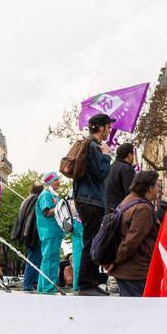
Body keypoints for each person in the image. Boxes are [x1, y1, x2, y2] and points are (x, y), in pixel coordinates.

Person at [72, 113, 115, 295]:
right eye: (108, 126)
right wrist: (106, 156)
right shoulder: (94, 147)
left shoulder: (86, 145)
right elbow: (101, 173)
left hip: (85, 198)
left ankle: (90, 281)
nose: (110, 129)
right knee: (91, 242)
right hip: (92, 200)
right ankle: (86, 284)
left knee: (91, 240)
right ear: (101, 127)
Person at [105, 170, 161, 298]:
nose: (159, 189)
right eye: (157, 185)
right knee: (141, 313)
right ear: (149, 188)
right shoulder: (143, 209)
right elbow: (132, 241)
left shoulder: (127, 201)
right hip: (136, 272)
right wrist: (114, 262)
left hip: (126, 271)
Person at [35, 172, 69, 295]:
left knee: (48, 260)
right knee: (51, 260)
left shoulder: (53, 195)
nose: (58, 182)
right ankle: (49, 288)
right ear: (49, 182)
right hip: (49, 231)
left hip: (54, 231)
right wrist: (60, 207)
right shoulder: (46, 194)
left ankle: (42, 288)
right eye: (56, 180)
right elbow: (46, 212)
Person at [14, 181, 44, 292]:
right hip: (34, 234)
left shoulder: (26, 200)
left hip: (28, 234)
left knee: (35, 258)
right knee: (35, 258)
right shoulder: (36, 200)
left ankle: (33, 282)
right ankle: (28, 284)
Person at [104, 142, 137, 215]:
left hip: (108, 210)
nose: (134, 157)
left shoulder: (111, 167)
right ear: (129, 155)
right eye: (133, 154)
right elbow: (130, 193)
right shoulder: (127, 169)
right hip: (120, 211)